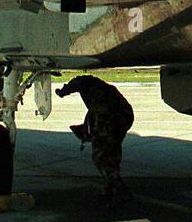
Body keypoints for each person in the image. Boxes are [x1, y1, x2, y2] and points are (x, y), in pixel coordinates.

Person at [56, 74, 135, 206]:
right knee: (113, 153)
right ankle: (110, 190)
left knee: (101, 158)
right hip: (124, 116)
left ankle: (121, 190)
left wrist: (63, 92)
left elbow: (78, 82)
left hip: (112, 119)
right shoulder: (100, 91)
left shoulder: (91, 93)